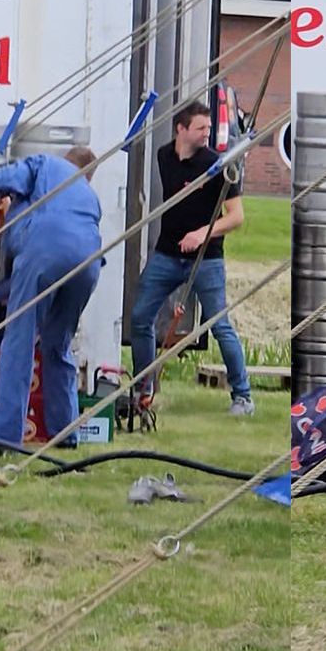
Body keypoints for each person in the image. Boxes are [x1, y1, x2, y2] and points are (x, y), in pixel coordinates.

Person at [0, 150, 104, 448]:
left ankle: (5, 437)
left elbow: (8, 176)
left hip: (44, 248)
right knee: (58, 345)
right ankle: (65, 434)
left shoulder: (40, 164)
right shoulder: (70, 183)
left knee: (17, 344)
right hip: (89, 259)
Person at [130, 100, 254, 416]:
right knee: (140, 317)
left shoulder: (218, 165)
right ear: (181, 129)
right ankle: (143, 389)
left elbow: (236, 217)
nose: (206, 133)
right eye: (200, 128)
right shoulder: (163, 156)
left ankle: (243, 397)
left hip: (206, 259)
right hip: (167, 253)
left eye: (208, 127)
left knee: (219, 325)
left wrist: (202, 234)